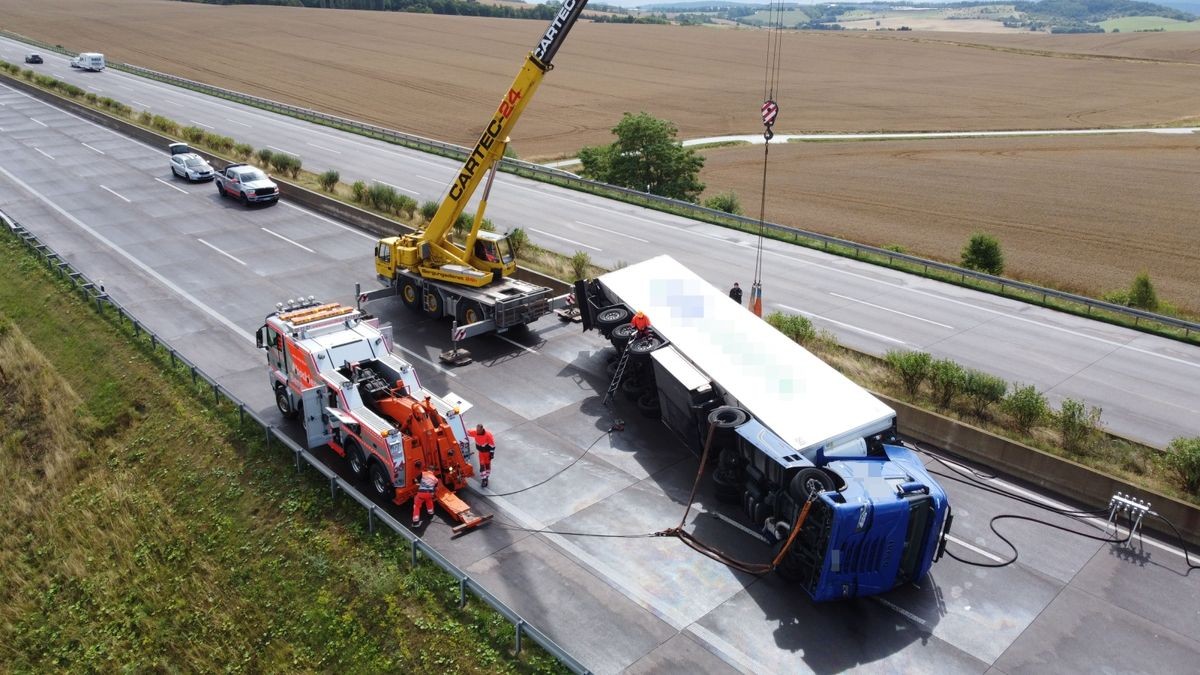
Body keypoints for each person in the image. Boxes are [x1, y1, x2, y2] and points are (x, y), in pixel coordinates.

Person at [411, 462, 438, 527]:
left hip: (421, 493)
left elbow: (415, 480)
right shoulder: (436, 479)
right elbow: (435, 488)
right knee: (429, 501)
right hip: (429, 494)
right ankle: (431, 514)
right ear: (433, 471)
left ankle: (415, 522)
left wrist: (417, 483)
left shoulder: (423, 473)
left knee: (416, 506)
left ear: (428, 469)